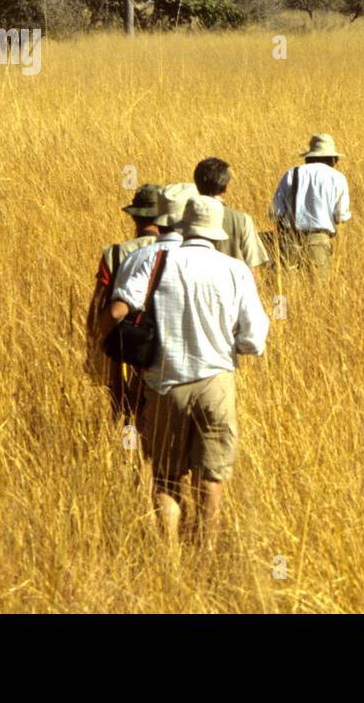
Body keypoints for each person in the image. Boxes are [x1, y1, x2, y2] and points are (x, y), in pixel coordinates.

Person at [109, 196, 269, 547]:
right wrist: (226, 344)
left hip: (165, 383)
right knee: (211, 478)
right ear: (216, 231)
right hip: (217, 384)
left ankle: (170, 564)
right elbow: (255, 341)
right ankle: (206, 554)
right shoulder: (234, 270)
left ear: (180, 224)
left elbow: (119, 311)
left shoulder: (157, 261)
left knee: (166, 479)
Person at [86, 183, 161, 422]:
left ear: (134, 217)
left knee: (123, 412)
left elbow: (99, 303)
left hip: (123, 347)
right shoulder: (174, 251)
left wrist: (94, 341)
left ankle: (125, 452)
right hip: (162, 348)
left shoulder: (115, 253)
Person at [270, 134, 351, 278]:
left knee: (289, 288)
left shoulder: (291, 173)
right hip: (319, 240)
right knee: (318, 291)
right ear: (333, 158)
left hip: (290, 239)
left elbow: (275, 212)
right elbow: (340, 217)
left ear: (309, 156)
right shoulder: (338, 178)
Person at [193, 156, 270, 278]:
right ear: (226, 187)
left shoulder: (185, 218)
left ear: (197, 185)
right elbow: (252, 268)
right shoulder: (242, 220)